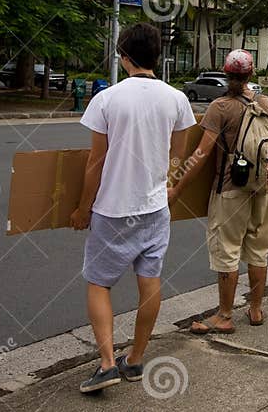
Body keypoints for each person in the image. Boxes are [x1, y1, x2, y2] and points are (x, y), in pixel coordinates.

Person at [70, 23, 195, 393]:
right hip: (155, 209)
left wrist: (82, 208)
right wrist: (169, 186)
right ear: (158, 56)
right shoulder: (177, 99)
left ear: (124, 57)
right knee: (150, 286)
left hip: (112, 210)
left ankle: (107, 363)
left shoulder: (107, 100)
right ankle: (136, 359)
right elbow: (178, 156)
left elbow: (95, 162)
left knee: (98, 283)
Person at [171, 49, 268, 333]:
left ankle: (225, 315)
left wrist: (177, 188)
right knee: (258, 250)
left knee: (227, 252)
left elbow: (201, 154)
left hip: (230, 189)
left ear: (225, 72)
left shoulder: (220, 107)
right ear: (250, 74)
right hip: (262, 188)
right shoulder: (265, 103)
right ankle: (255, 309)